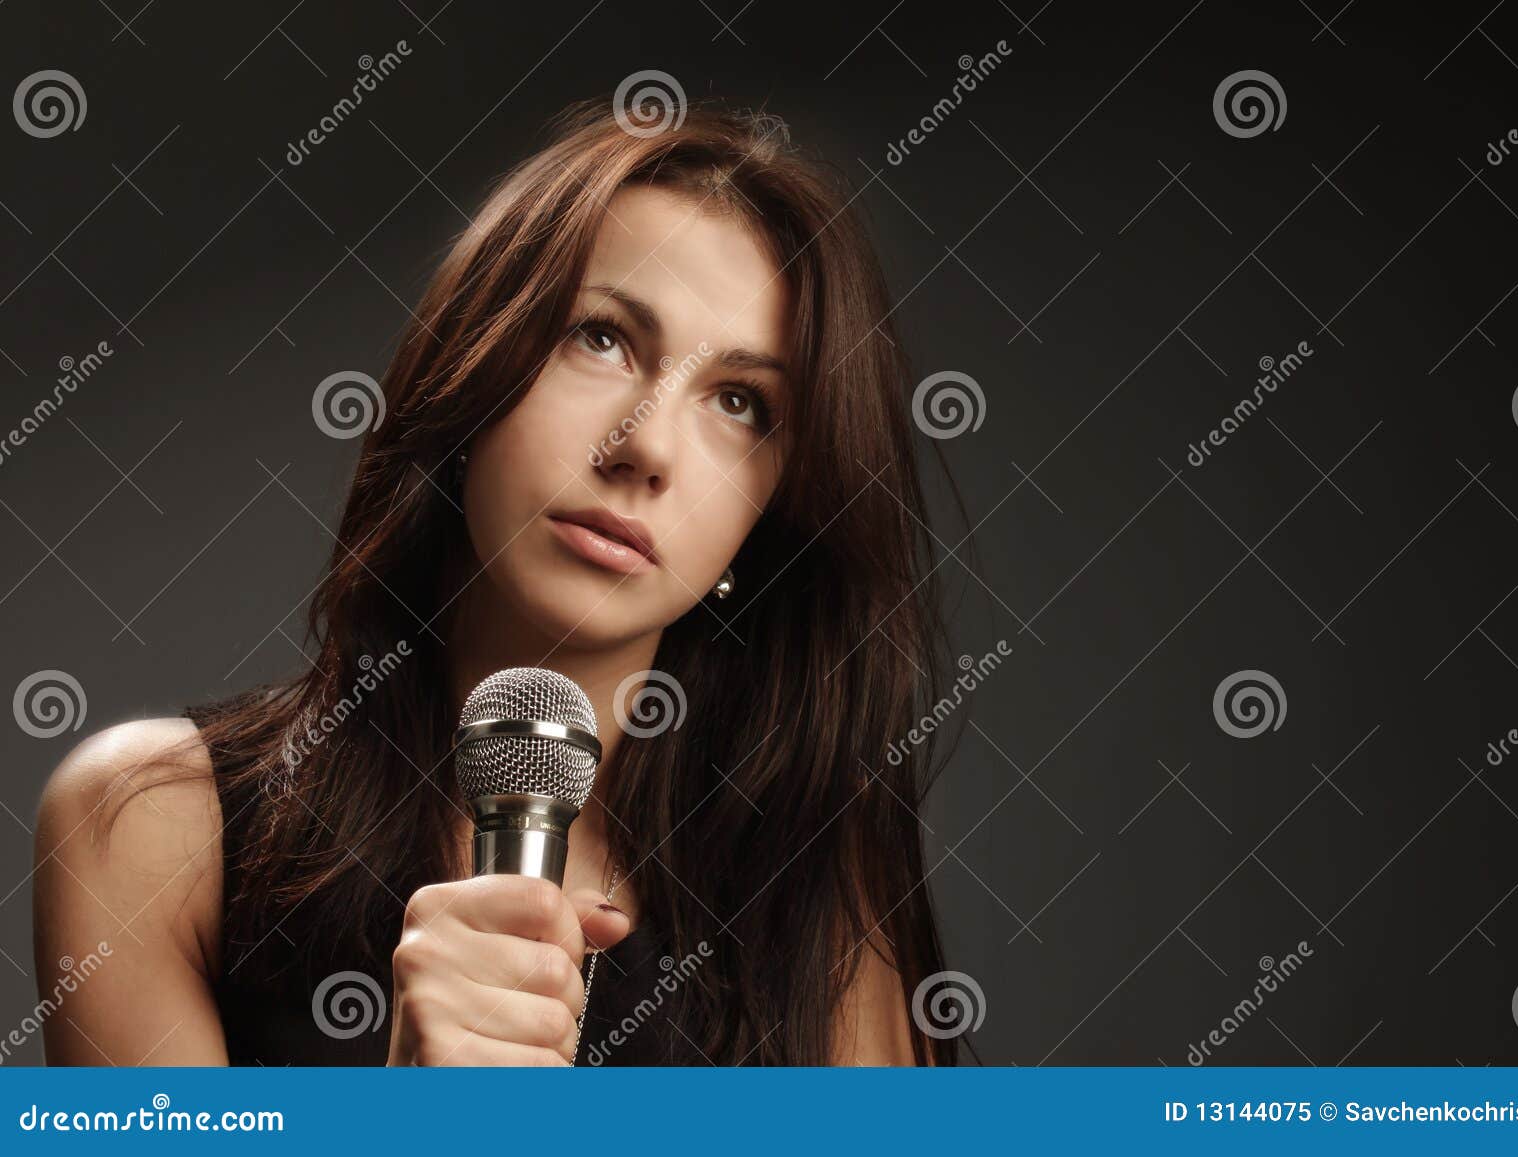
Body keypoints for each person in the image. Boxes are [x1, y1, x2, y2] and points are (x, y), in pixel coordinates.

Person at [32, 94, 971, 1066]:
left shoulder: (821, 890)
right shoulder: (152, 820)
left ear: (775, 505)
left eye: (738, 400)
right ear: (476, 359)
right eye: (600, 337)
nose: (643, 445)